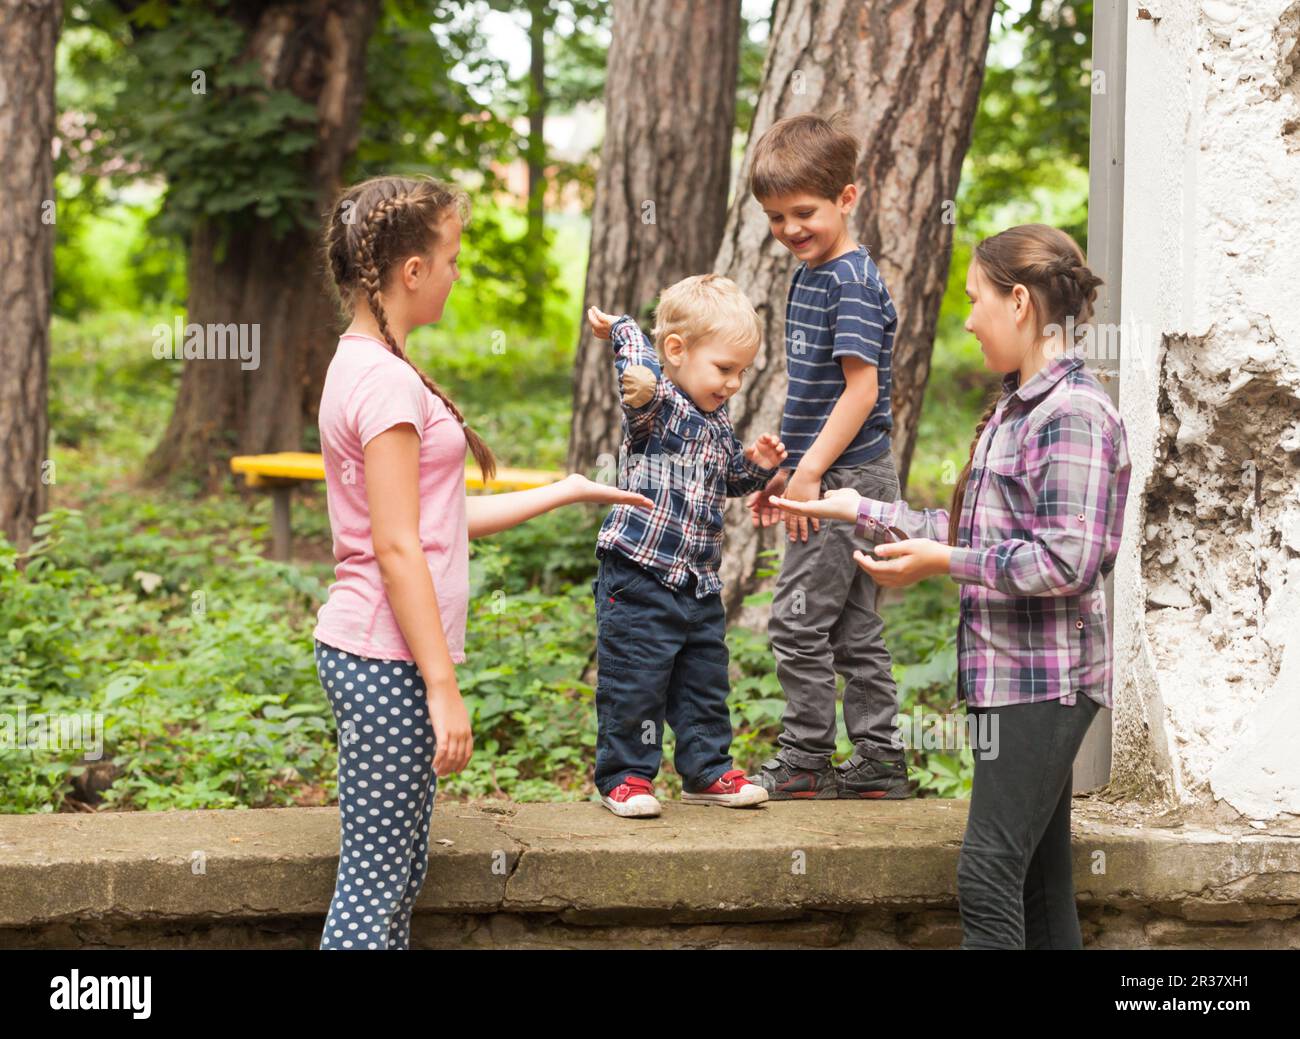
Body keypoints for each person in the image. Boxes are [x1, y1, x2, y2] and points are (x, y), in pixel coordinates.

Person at [313, 174, 651, 949]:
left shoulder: (362, 364)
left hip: (371, 648)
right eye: (454, 258)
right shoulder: (387, 383)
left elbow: (434, 521)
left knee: (391, 884)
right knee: (375, 889)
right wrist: (442, 688)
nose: (458, 273)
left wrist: (565, 492)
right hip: (385, 654)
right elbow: (397, 548)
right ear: (412, 272)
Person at [771, 223, 1132, 949]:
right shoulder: (1017, 407)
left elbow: (1066, 560)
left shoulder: (1074, 415)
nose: (966, 319)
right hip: (1014, 683)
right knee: (1037, 879)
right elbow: (973, 526)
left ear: (1020, 302)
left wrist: (942, 563)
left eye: (975, 300)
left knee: (988, 873)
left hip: (1046, 685)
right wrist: (862, 509)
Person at [745, 113, 912, 800]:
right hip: (834, 468)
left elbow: (861, 388)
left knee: (795, 618)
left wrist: (812, 475)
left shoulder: (847, 279)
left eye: (803, 212)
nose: (789, 229)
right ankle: (878, 760)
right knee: (851, 622)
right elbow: (815, 393)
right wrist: (788, 469)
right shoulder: (815, 272)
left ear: (848, 197)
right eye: (775, 216)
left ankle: (807, 755)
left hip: (848, 477)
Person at [586, 273, 785, 817]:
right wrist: (624, 330)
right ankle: (624, 777)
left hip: (696, 581)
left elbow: (726, 482)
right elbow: (641, 376)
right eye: (725, 369)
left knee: (704, 680)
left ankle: (707, 770)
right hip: (639, 573)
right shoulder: (657, 404)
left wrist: (757, 468)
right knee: (635, 680)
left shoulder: (718, 420)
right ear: (676, 350)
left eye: (742, 372)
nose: (735, 384)